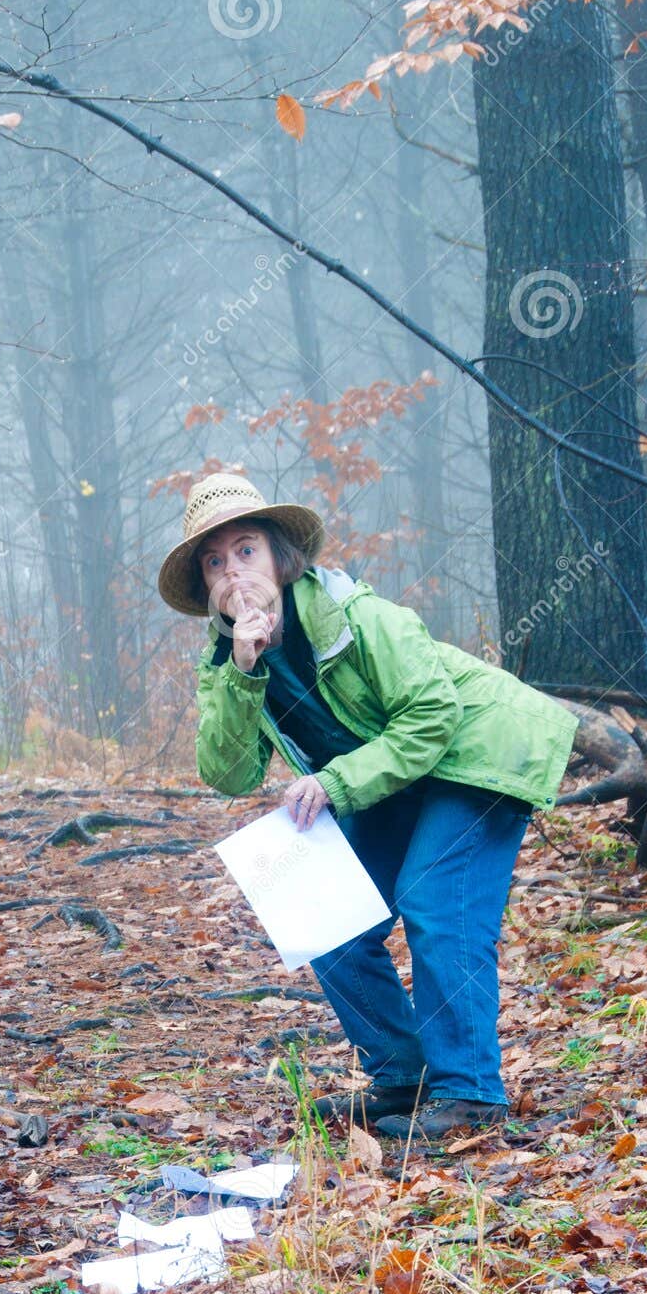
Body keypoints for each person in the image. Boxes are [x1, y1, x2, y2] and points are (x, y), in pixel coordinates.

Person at [157, 472, 580, 1139]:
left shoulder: (355, 615)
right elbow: (229, 773)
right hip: (398, 776)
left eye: (245, 551)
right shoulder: (229, 660)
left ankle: (469, 1092)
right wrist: (243, 673)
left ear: (280, 557)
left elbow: (434, 711)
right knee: (318, 909)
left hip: (478, 749)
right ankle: (403, 1079)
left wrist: (336, 783)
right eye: (214, 562)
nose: (232, 573)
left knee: (434, 898)